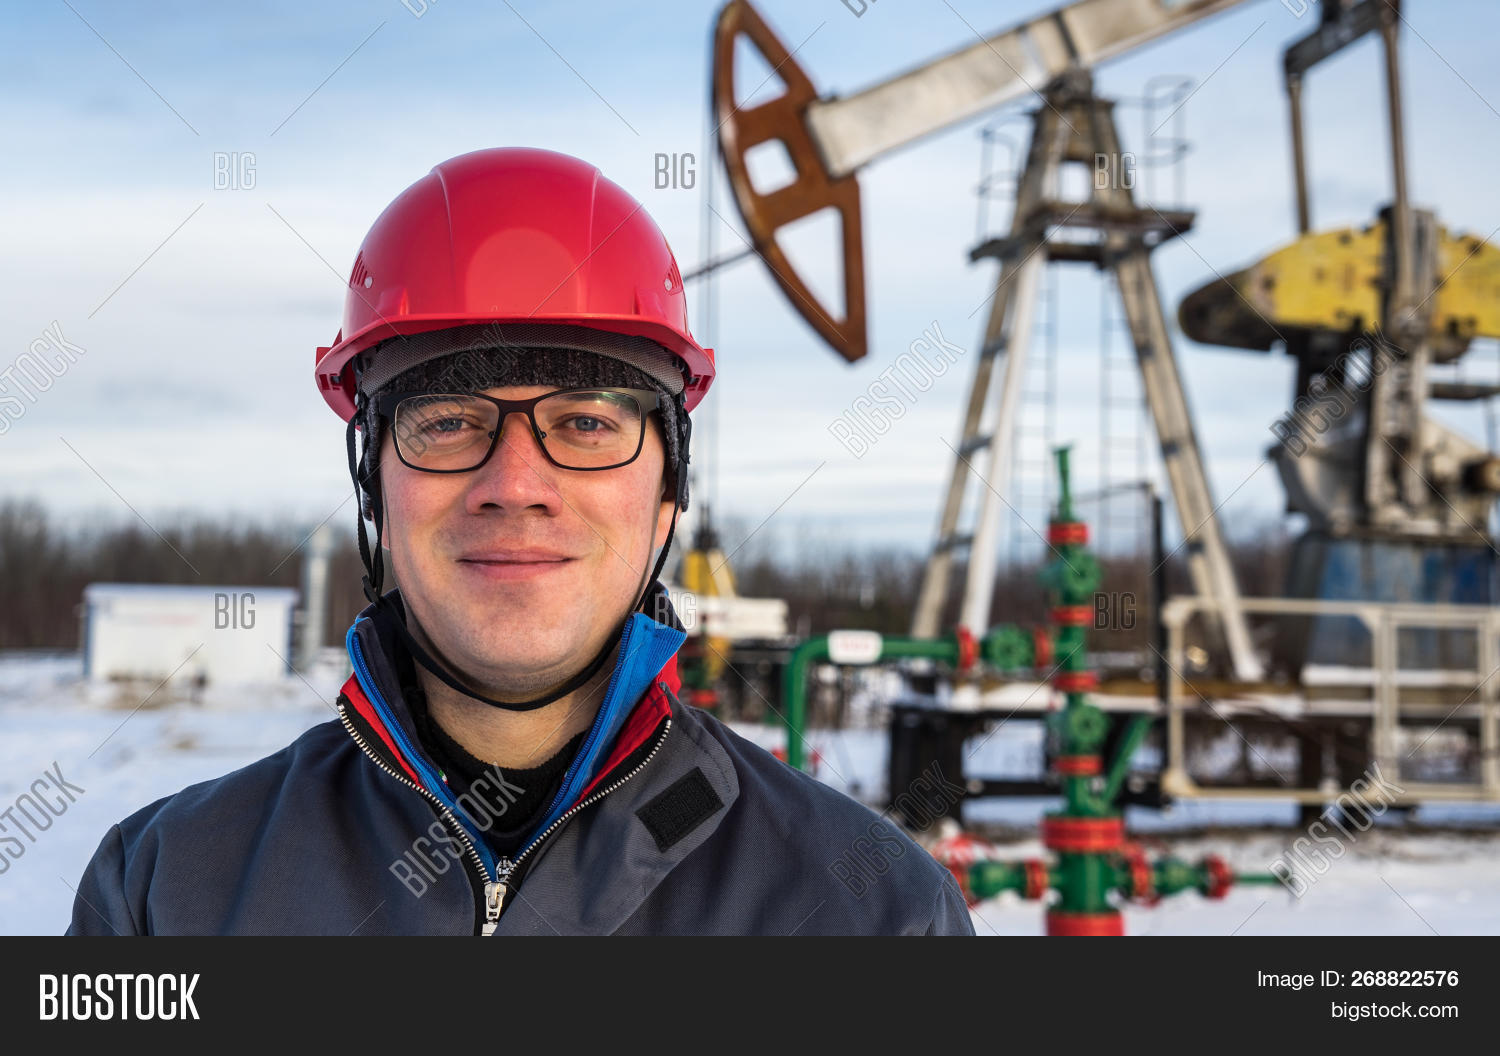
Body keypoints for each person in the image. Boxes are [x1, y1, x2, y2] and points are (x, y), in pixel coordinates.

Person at [67, 148, 973, 935]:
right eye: (449, 420)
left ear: (668, 495)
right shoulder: (162, 894)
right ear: (374, 487)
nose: (514, 486)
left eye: (585, 422)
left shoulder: (877, 912)